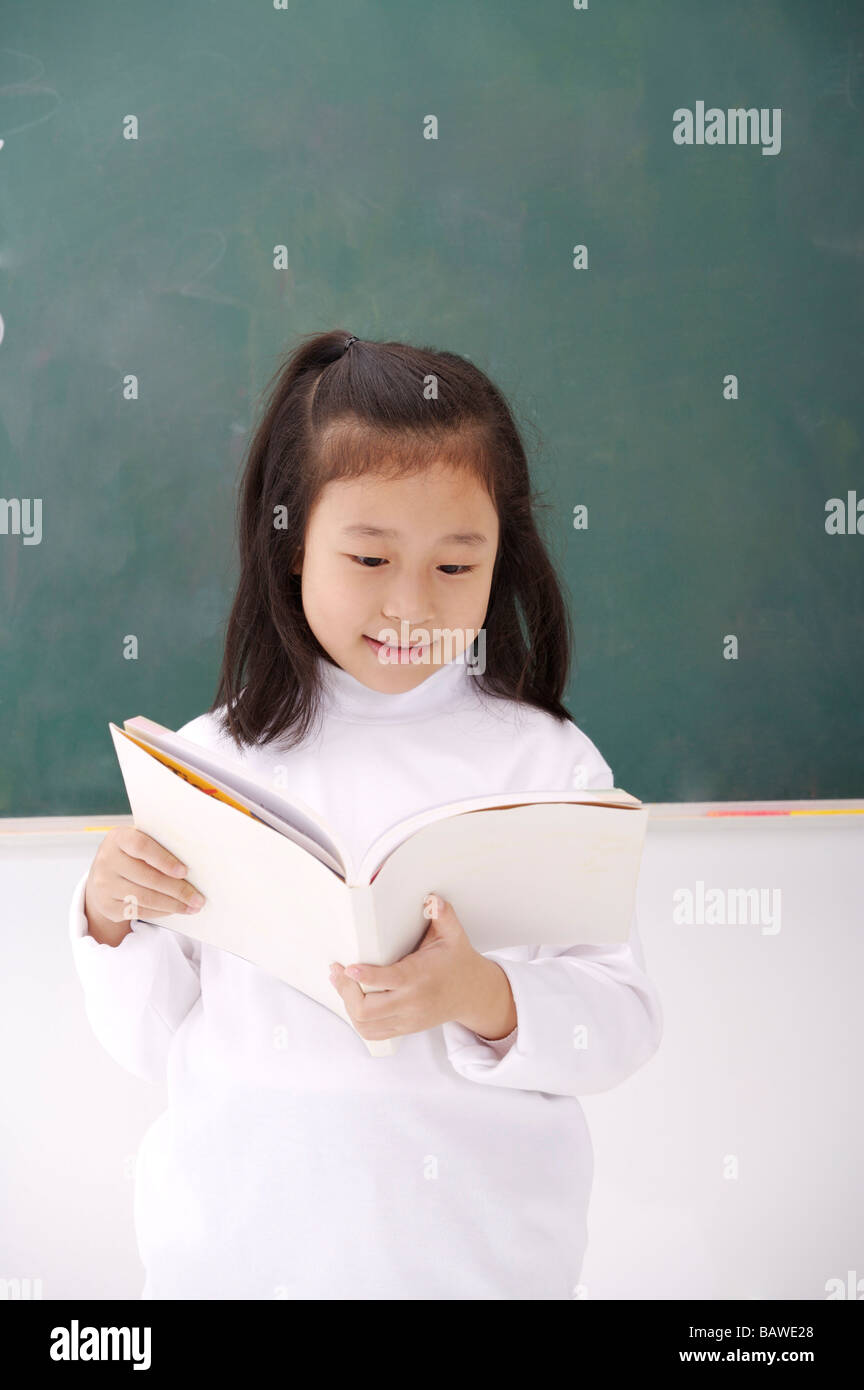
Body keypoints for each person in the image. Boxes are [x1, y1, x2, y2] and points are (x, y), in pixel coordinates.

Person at [69, 329, 663, 1300]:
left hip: (478, 1264)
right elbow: (147, 1040)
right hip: (238, 1255)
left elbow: (623, 1022)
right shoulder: (213, 762)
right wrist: (109, 917)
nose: (409, 605)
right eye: (370, 556)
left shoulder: (547, 763)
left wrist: (479, 993)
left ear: (502, 557)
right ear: (292, 544)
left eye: (455, 567)